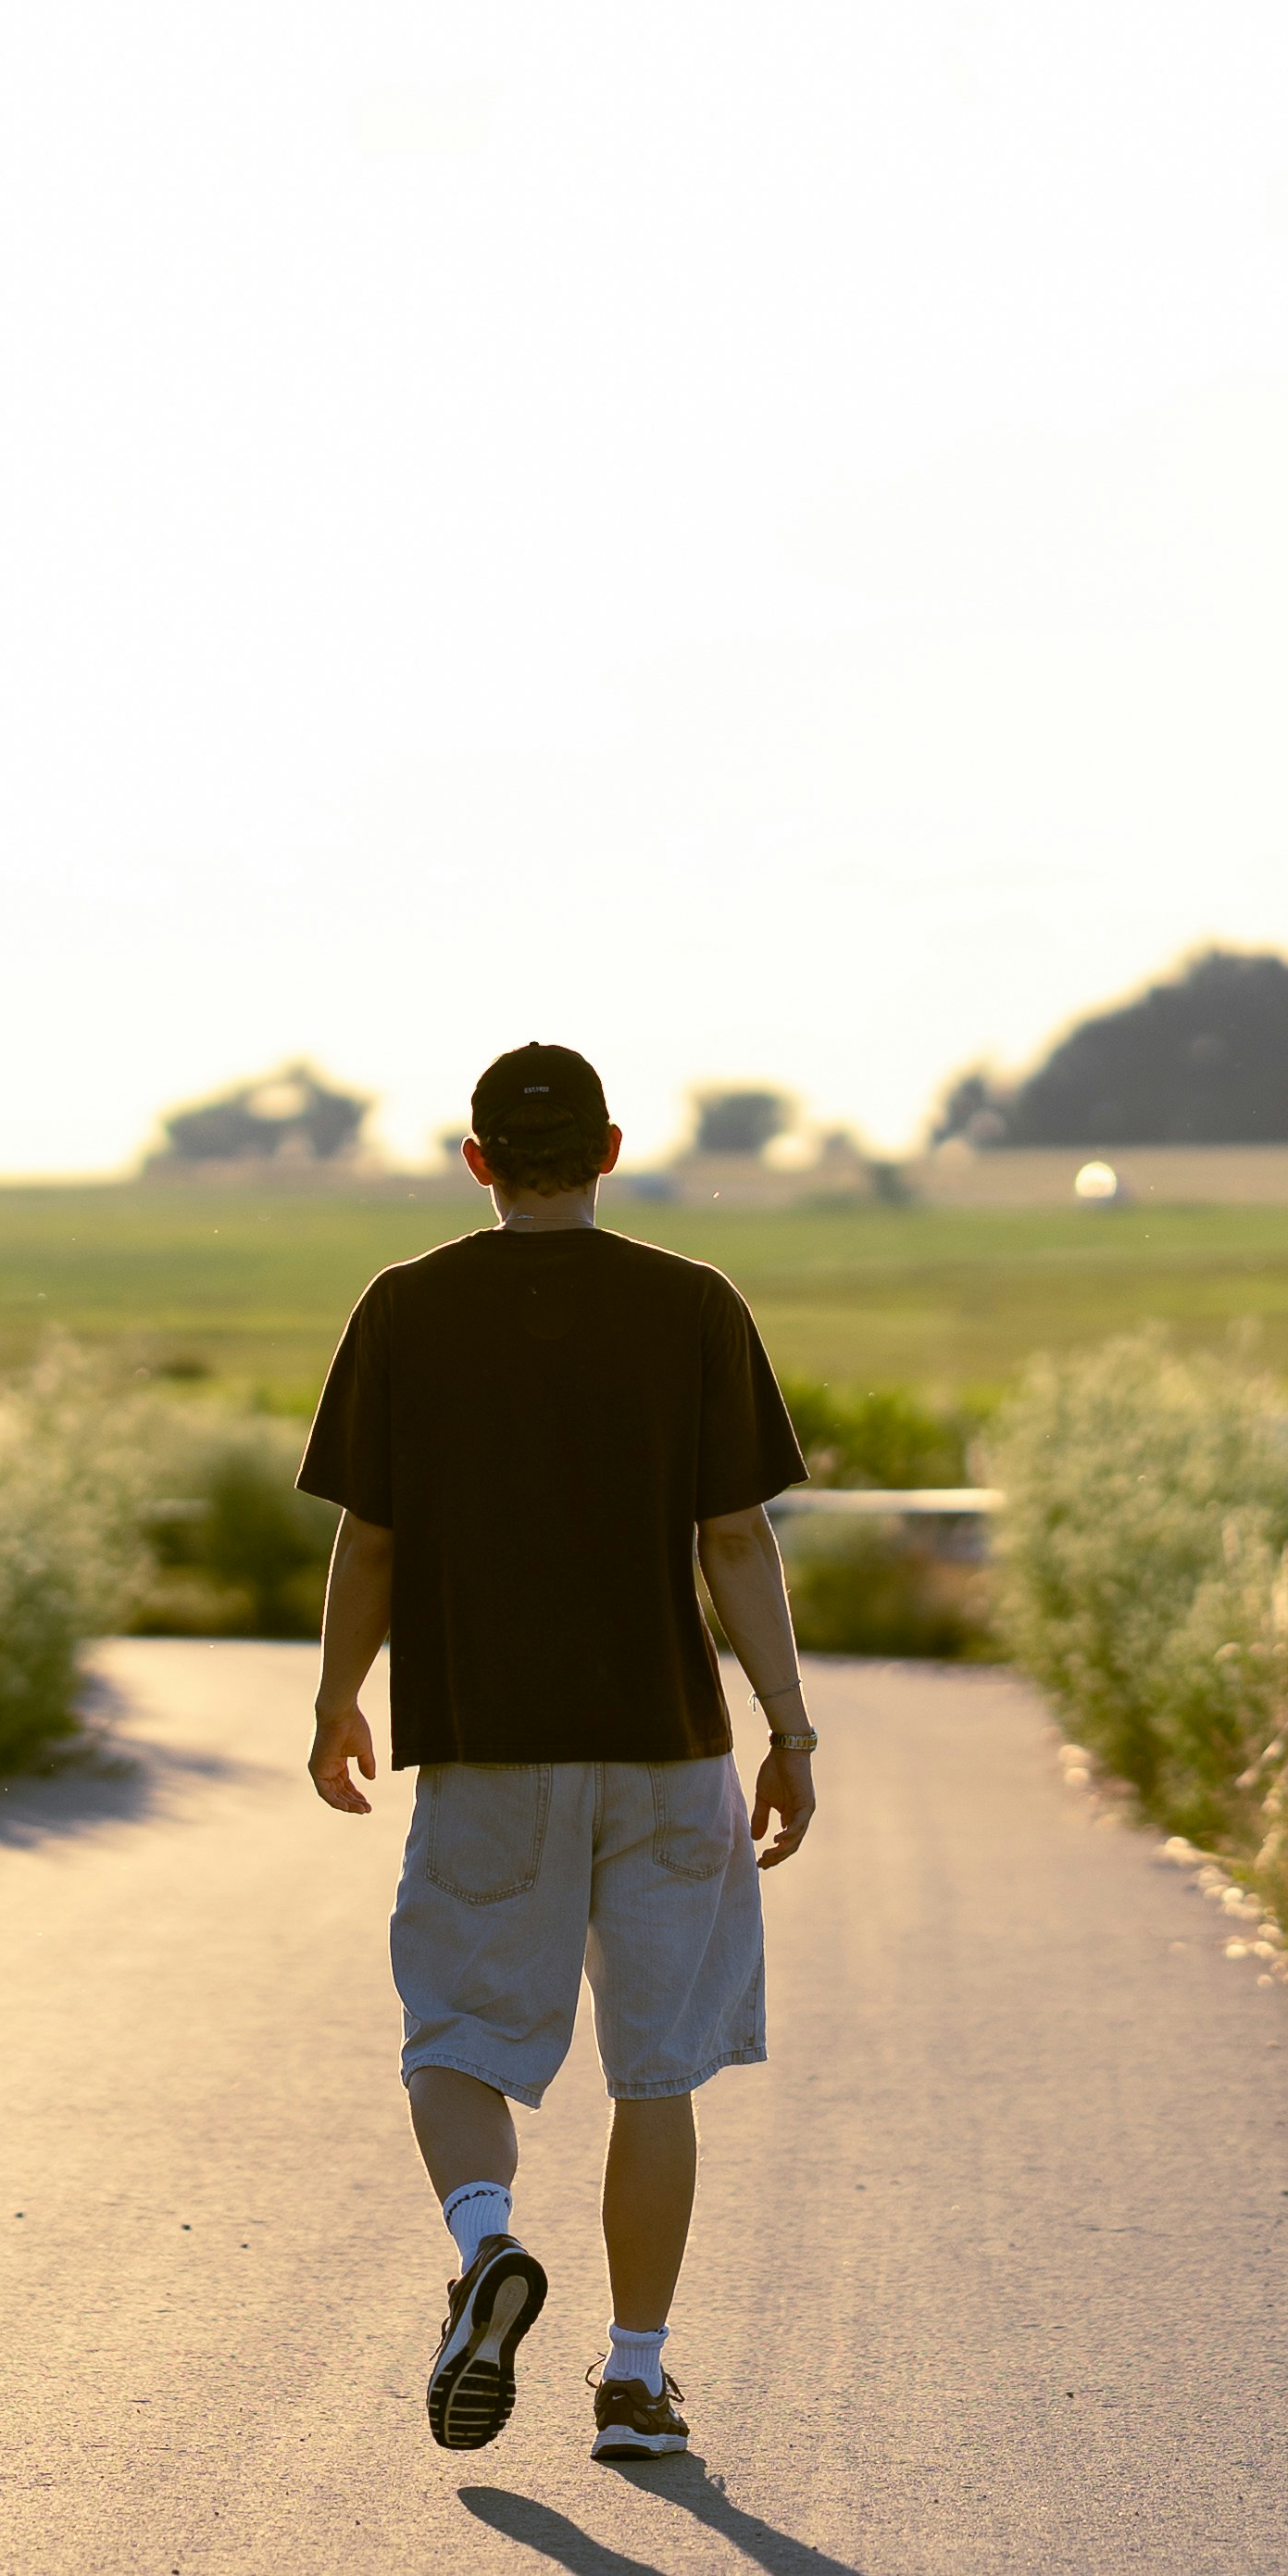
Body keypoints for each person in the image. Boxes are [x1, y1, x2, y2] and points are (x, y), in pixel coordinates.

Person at [301, 1043, 819, 2464]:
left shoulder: (405, 1310)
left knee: (457, 2035)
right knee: (657, 2073)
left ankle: (486, 2250)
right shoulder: (693, 1305)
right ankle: (637, 2382)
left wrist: (340, 1695)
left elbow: (374, 1537)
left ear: (476, 1163)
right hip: (665, 1746)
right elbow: (732, 1538)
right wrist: (789, 1728)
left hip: (487, 1747)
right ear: (608, 1150)